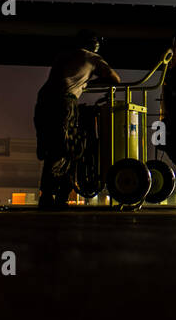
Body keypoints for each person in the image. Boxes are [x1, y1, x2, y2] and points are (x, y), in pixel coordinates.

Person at [35, 32, 121, 207]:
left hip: (44, 100)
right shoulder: (93, 58)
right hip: (64, 101)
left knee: (50, 146)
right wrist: (88, 84)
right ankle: (54, 195)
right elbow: (115, 79)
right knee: (66, 147)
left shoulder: (63, 55)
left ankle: (54, 193)